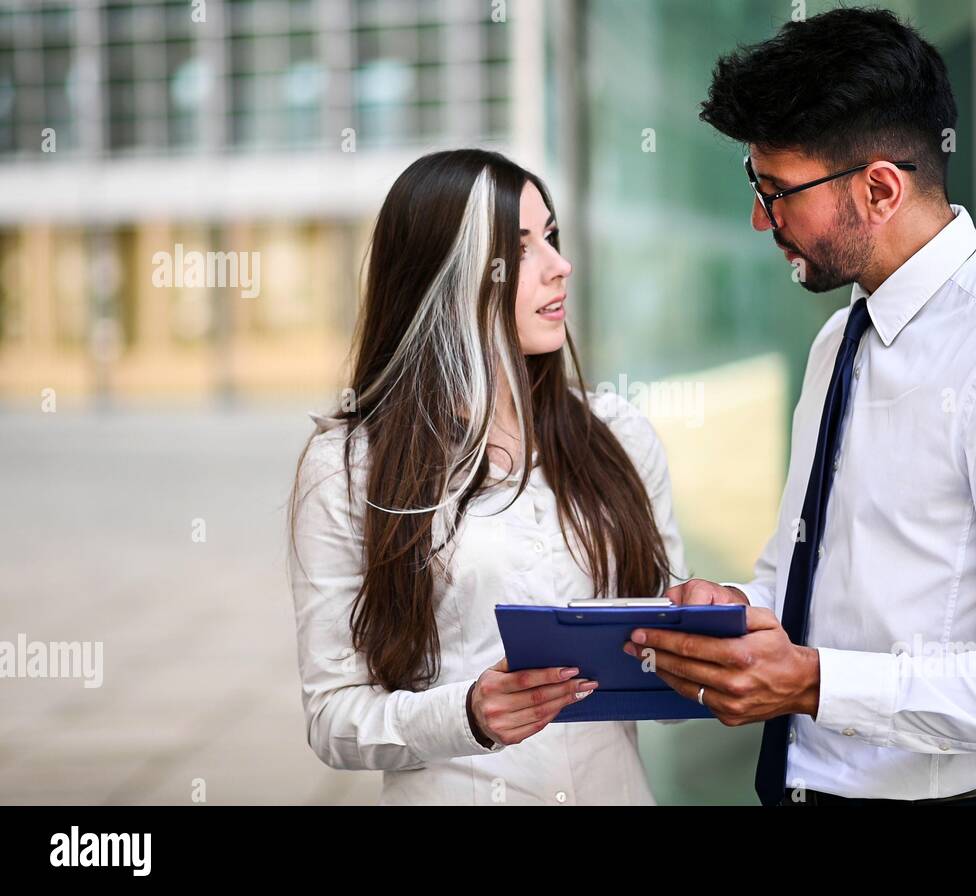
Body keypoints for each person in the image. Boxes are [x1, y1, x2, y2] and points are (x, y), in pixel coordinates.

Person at [627, 7, 976, 806]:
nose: (761, 217)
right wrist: (738, 614)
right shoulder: (837, 343)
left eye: (777, 190)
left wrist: (816, 684)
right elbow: (816, 591)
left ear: (881, 189)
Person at [288, 148, 686, 805]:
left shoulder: (618, 434)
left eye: (551, 238)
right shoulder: (348, 468)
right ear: (447, 275)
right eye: (522, 247)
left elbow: (662, 666)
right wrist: (467, 715)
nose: (560, 267)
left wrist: (706, 643)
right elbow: (334, 716)